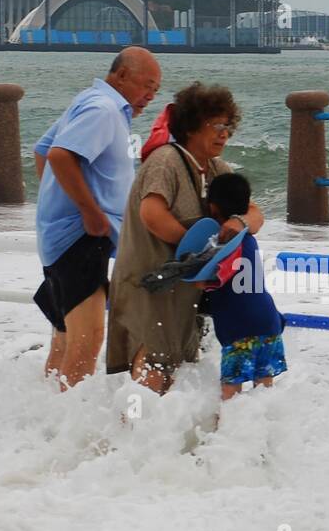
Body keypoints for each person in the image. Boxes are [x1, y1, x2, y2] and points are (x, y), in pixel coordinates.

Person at [105, 82, 264, 394]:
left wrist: (239, 221)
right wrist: (199, 250)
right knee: (153, 362)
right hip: (147, 281)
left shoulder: (216, 168)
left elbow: (255, 213)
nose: (225, 134)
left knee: (175, 366)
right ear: (191, 126)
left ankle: (154, 425)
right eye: (217, 126)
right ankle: (133, 424)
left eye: (228, 127)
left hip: (183, 285)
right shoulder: (165, 160)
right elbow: (152, 214)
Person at [32, 47, 161, 388]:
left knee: (65, 339)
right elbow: (59, 156)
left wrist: (56, 202)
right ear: (122, 75)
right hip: (81, 241)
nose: (150, 96)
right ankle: (70, 420)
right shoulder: (103, 110)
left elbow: (42, 151)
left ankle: (48, 411)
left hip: (61, 239)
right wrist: (89, 212)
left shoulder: (90, 100)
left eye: (156, 91)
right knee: (87, 343)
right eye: (147, 85)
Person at [200, 173, 287, 400]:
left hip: (240, 329)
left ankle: (224, 423)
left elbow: (206, 281)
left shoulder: (221, 245)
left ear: (213, 208)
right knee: (264, 389)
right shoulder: (249, 239)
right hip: (269, 322)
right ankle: (265, 421)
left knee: (230, 392)